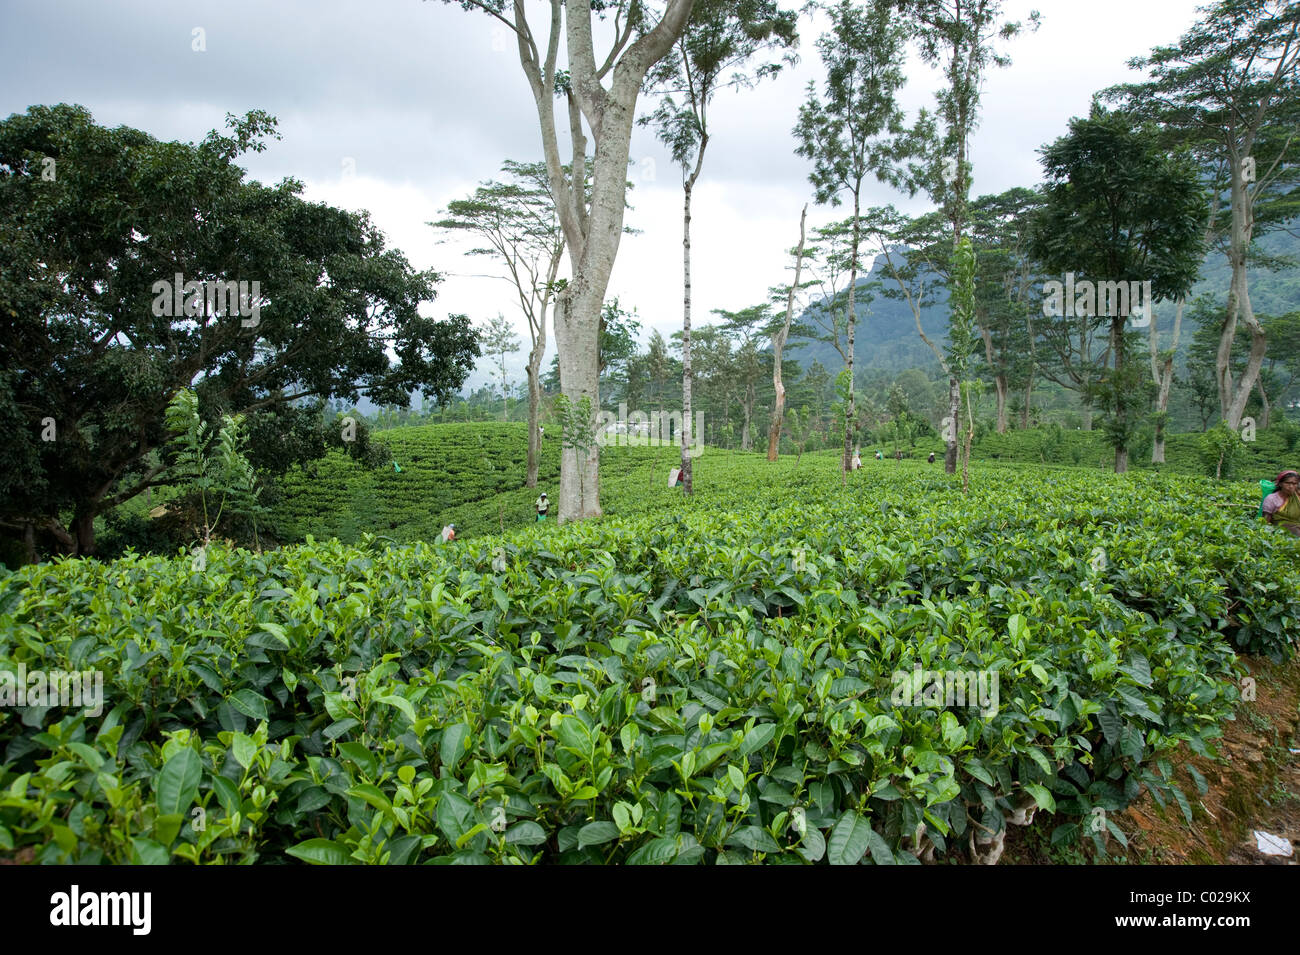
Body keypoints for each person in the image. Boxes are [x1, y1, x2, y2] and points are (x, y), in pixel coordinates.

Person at [1262, 470, 1300, 537]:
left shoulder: (1297, 497)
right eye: (1287, 483)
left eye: (1294, 484)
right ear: (1280, 484)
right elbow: (1265, 522)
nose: (1291, 486)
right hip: (1281, 531)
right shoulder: (1272, 499)